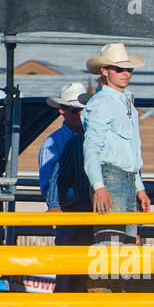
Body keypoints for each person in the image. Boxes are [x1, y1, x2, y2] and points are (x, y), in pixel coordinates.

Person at [81, 43, 153, 247]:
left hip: (124, 180)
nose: (126, 73)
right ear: (105, 71)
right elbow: (91, 148)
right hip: (112, 179)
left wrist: (139, 188)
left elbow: (130, 150)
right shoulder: (102, 103)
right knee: (112, 249)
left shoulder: (124, 101)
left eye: (128, 69)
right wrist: (99, 186)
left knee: (125, 250)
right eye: (119, 69)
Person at [40, 84, 93, 291]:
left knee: (95, 270)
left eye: (84, 110)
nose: (81, 114)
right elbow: (48, 183)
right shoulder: (53, 142)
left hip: (93, 211)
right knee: (69, 273)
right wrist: (56, 204)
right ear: (63, 111)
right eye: (76, 110)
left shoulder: (91, 137)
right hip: (70, 212)